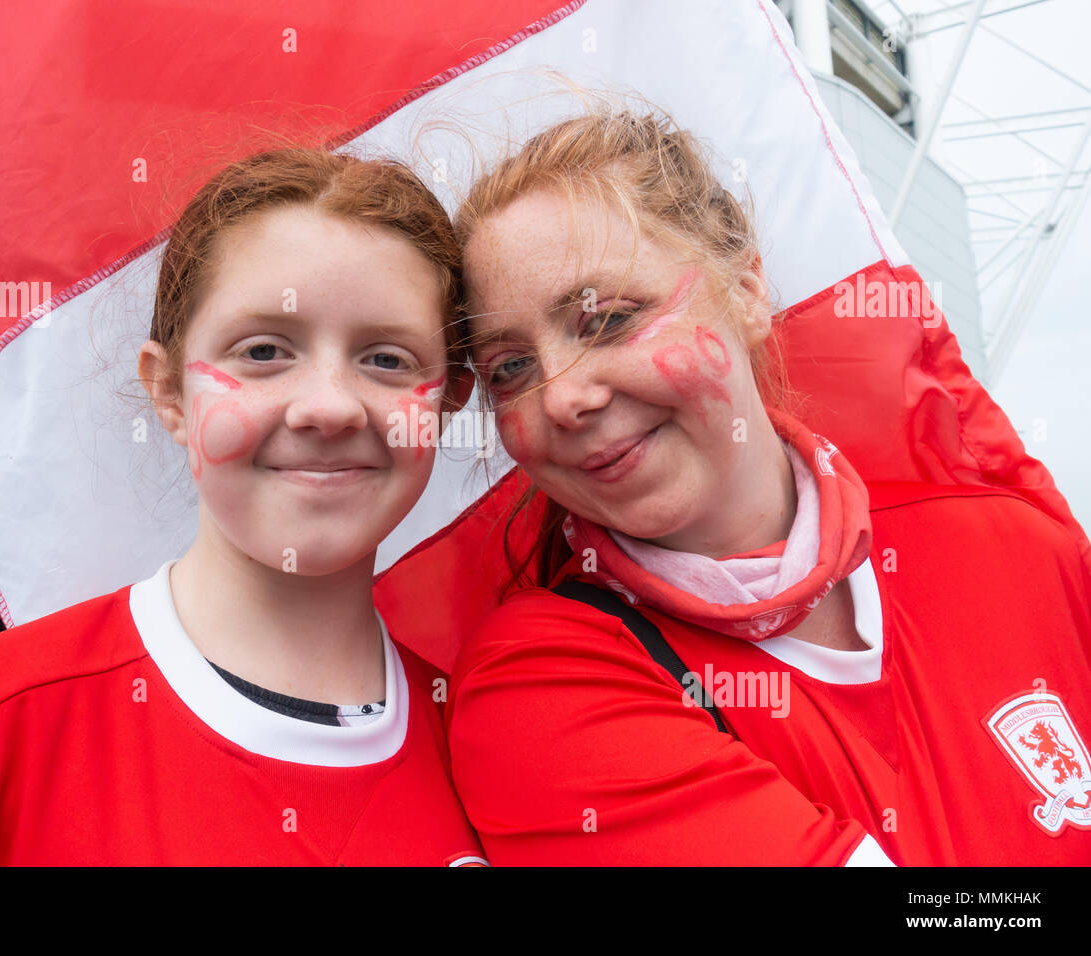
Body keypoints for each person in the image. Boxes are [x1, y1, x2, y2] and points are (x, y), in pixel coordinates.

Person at [444, 107, 1091, 865]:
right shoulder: (539, 688)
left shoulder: (1014, 545)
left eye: (609, 319)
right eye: (510, 369)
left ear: (748, 290)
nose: (562, 397)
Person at [0, 147, 486, 866]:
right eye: (263, 351)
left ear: (449, 399)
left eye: (387, 359)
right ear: (168, 391)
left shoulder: (496, 740)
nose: (328, 406)